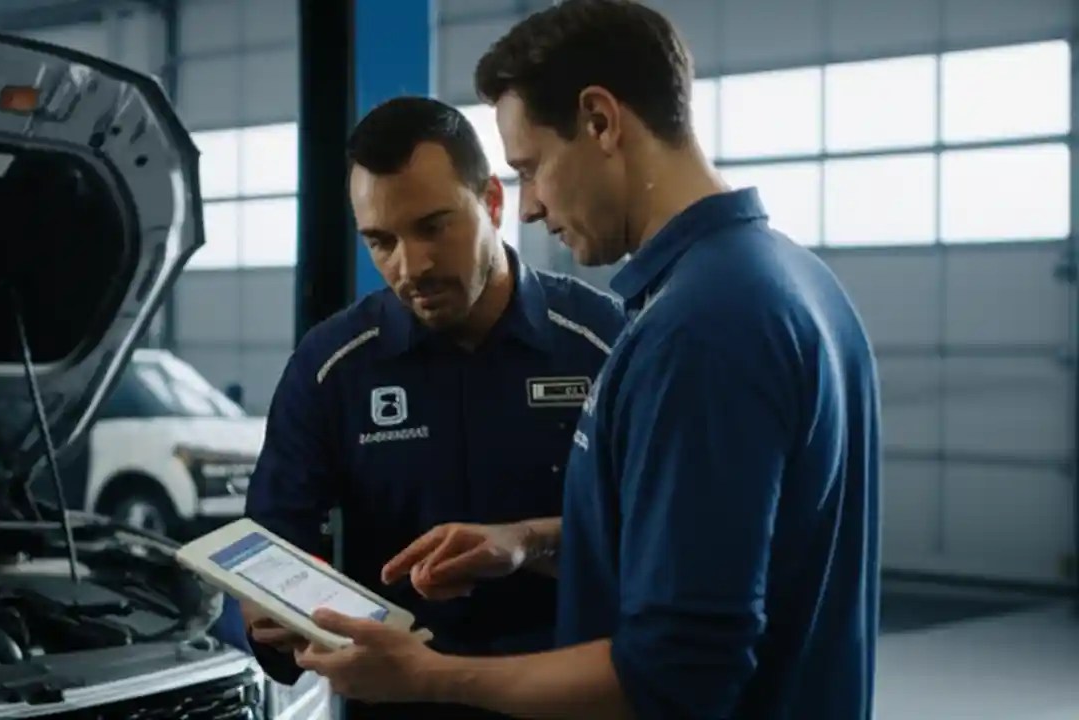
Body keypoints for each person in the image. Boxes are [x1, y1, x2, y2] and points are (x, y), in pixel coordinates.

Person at [290, 1, 882, 719]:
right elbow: (710, 544)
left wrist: (430, 676)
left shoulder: (701, 329)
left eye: (532, 168)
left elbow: (677, 674)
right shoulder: (790, 278)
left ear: (600, 121)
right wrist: (528, 542)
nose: (531, 207)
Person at [241, 95, 626, 719]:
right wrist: (269, 614)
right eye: (380, 241)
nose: (409, 266)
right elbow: (273, 542)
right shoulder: (331, 366)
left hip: (571, 699)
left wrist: (532, 542)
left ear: (493, 203)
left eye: (434, 227)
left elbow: (655, 537)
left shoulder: (602, 342)